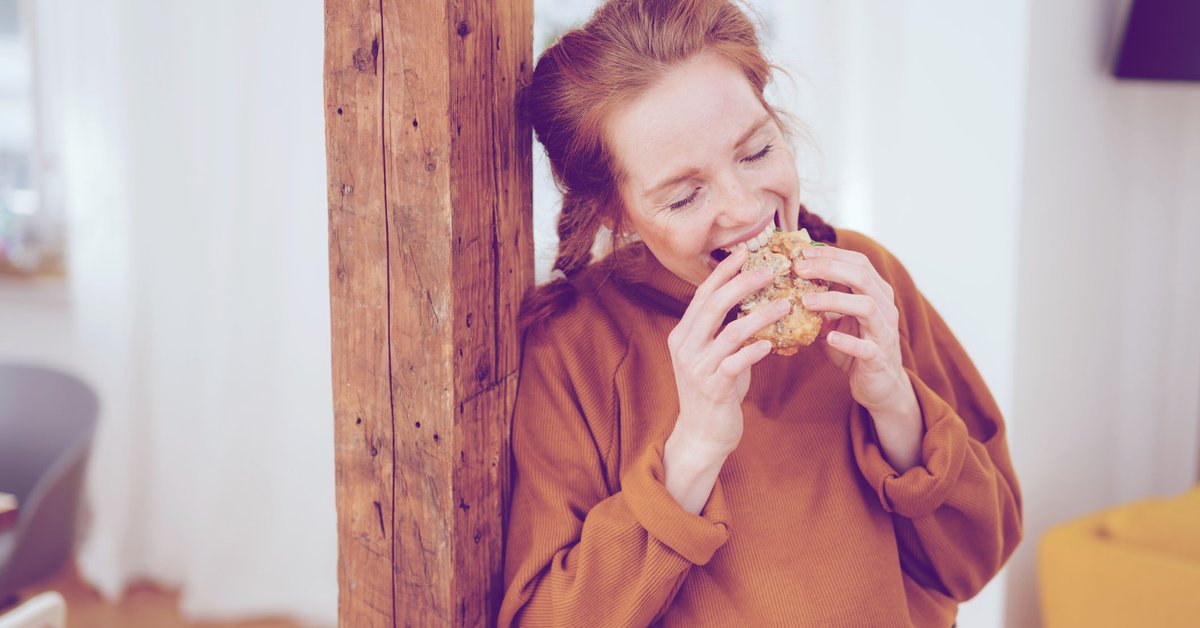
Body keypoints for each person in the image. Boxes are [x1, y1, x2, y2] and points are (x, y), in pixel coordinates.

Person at [500, 0, 1022, 625]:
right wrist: (691, 454)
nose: (747, 210)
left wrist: (894, 404)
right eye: (686, 195)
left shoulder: (867, 280)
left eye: (754, 153)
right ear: (615, 212)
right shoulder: (576, 345)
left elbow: (975, 561)